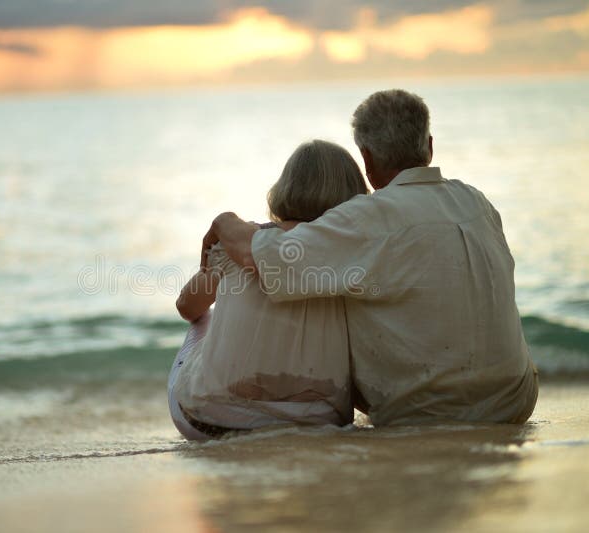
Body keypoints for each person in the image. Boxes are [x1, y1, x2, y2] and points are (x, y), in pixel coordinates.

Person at [202, 89, 539, 426]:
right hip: (514, 399)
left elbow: (262, 257)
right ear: (429, 146)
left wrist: (223, 222)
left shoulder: (368, 219)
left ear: (366, 159)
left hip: (428, 412)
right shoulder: (477, 203)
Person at [168, 140, 369, 440]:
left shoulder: (243, 242)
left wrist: (213, 271)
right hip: (320, 422)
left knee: (201, 319)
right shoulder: (352, 257)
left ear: (285, 188)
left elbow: (186, 307)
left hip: (211, 421)